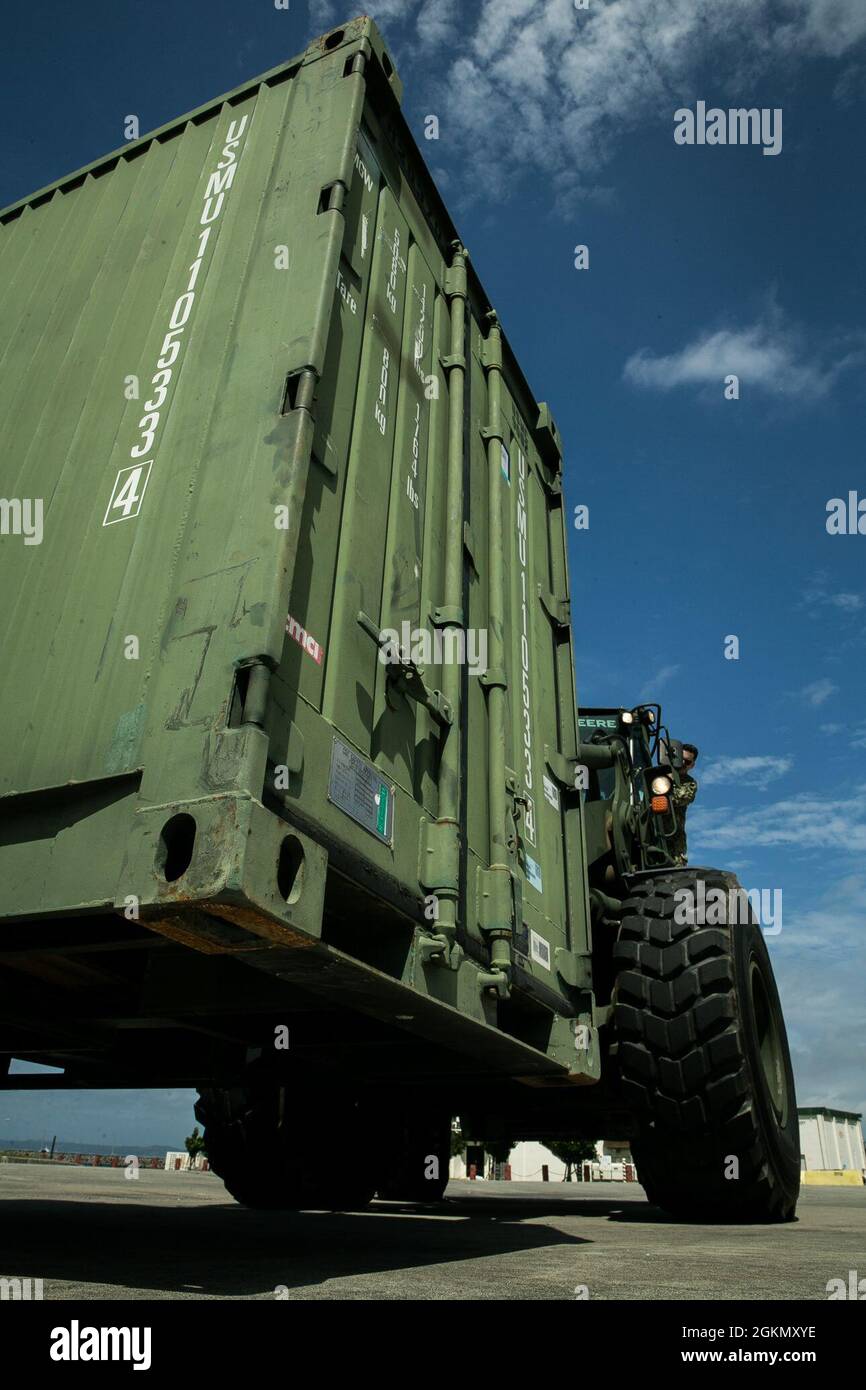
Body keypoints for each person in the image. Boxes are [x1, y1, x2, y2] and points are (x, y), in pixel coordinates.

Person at [670, 743, 698, 866]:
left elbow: (679, 798)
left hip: (673, 842)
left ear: (692, 765)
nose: (682, 763)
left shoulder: (690, 784)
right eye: (680, 759)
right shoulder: (655, 776)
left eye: (687, 762)